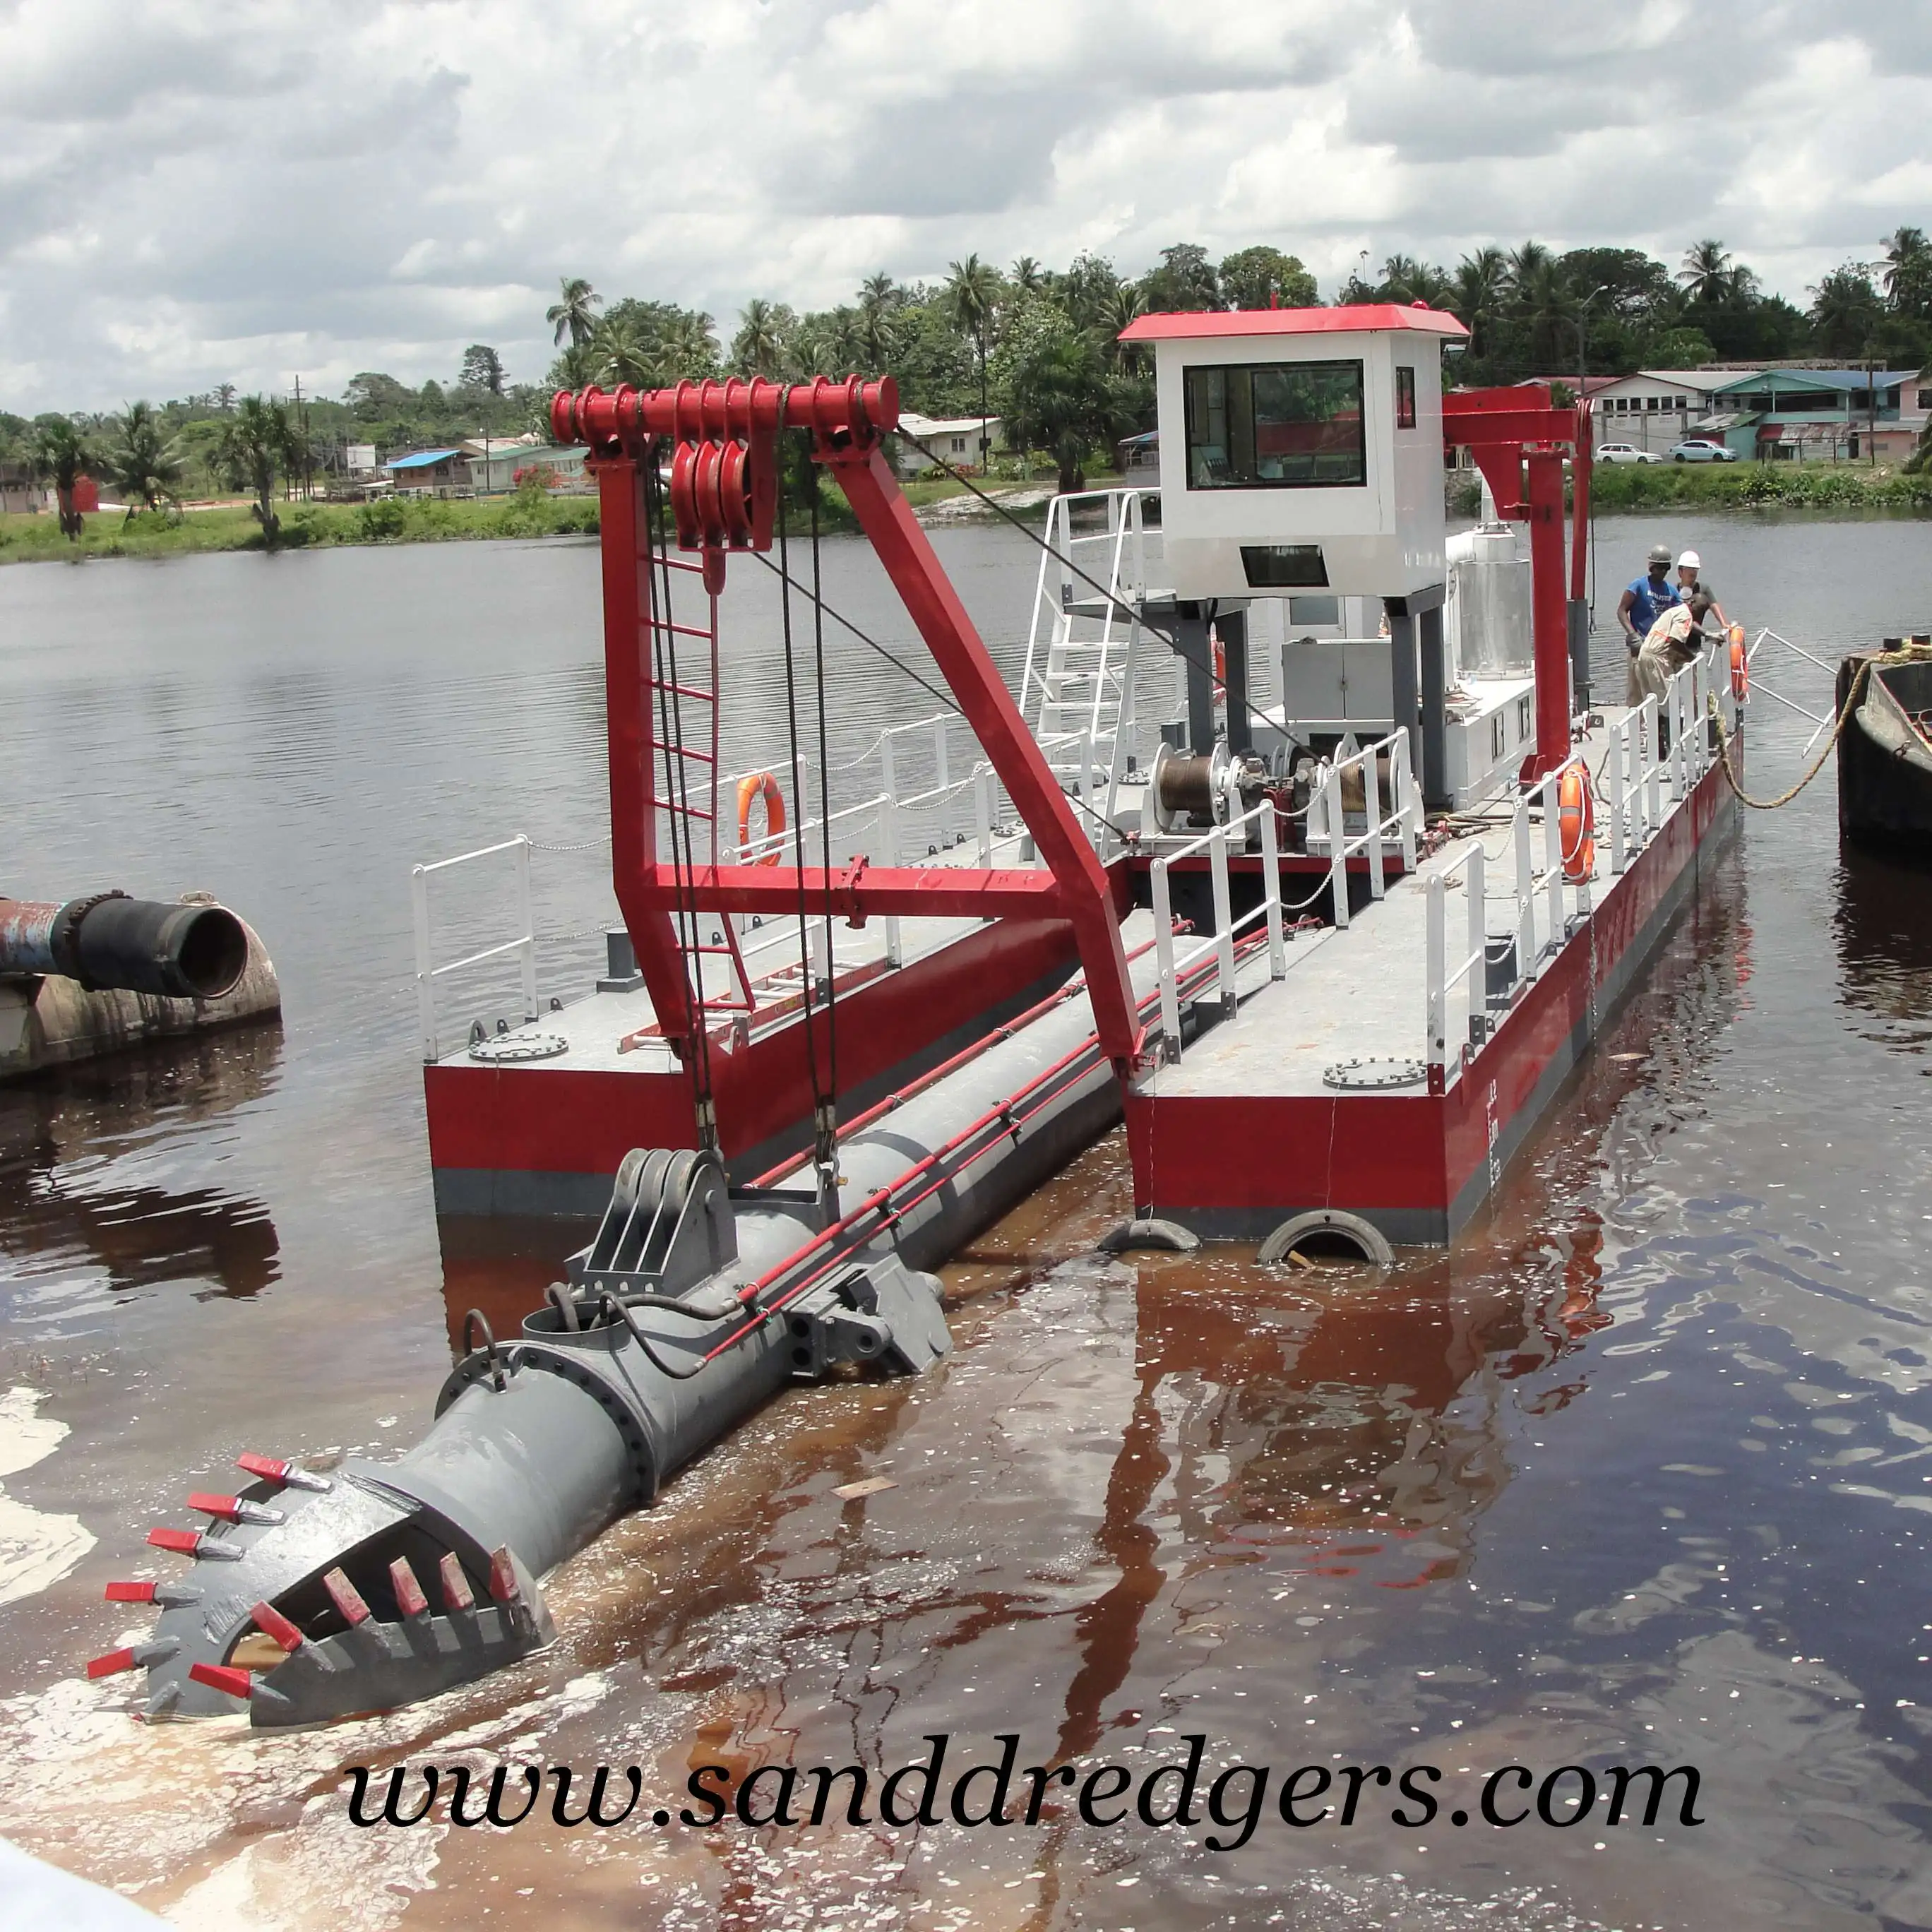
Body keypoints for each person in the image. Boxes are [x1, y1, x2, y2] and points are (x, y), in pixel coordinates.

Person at [1633, 593, 1714, 751]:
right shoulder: (1685, 615)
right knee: (1671, 704)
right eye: (1700, 609)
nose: (1701, 614)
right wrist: (1692, 658)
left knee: (1654, 703)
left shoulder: (1676, 611)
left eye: (1704, 611)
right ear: (1691, 603)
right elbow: (1675, 641)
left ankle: (1658, 747)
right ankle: (1673, 747)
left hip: (1645, 654)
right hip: (1657, 658)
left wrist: (1707, 634)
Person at [1618, 543, 1681, 703]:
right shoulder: (1638, 586)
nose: (1663, 572)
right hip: (1640, 645)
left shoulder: (1671, 591)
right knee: (1636, 691)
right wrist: (1632, 634)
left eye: (1666, 568)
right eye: (1659, 567)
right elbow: (1622, 611)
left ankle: (1661, 716)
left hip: (1659, 649)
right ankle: (1636, 716)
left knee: (1660, 690)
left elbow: (1682, 616)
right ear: (1651, 567)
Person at [1674, 549, 1727, 628]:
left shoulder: (1703, 589)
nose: (1692, 579)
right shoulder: (1674, 590)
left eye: (1694, 575)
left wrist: (1724, 624)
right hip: (1678, 631)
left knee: (1700, 598)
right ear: (1680, 572)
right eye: (1690, 576)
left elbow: (1714, 605)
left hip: (1696, 632)